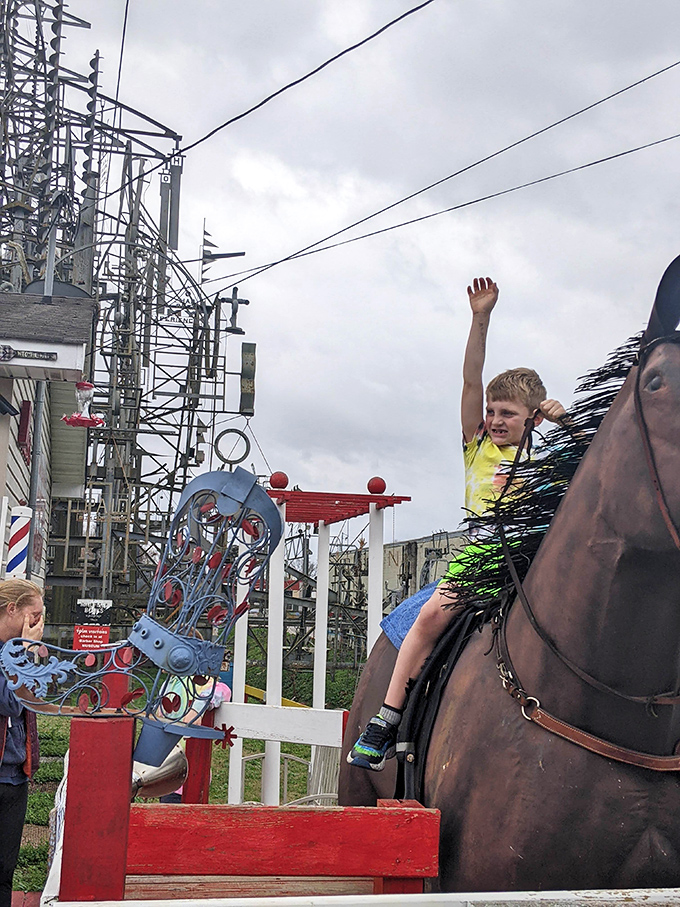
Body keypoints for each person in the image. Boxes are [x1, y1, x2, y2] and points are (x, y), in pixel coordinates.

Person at [348, 277, 568, 771]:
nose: (495, 418)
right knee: (429, 616)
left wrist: (567, 422)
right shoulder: (478, 445)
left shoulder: (549, 453)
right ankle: (387, 716)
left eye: (507, 412)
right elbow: (471, 380)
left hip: (538, 557)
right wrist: (480, 319)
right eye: (492, 411)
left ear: (533, 417)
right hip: (485, 555)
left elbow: (595, 470)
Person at [0, 579, 44, 907]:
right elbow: (11, 702)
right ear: (12, 609)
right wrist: (27, 652)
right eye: (35, 615)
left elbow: (33, 696)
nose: (38, 625)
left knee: (5, 870)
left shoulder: (13, 649)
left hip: (16, 774)